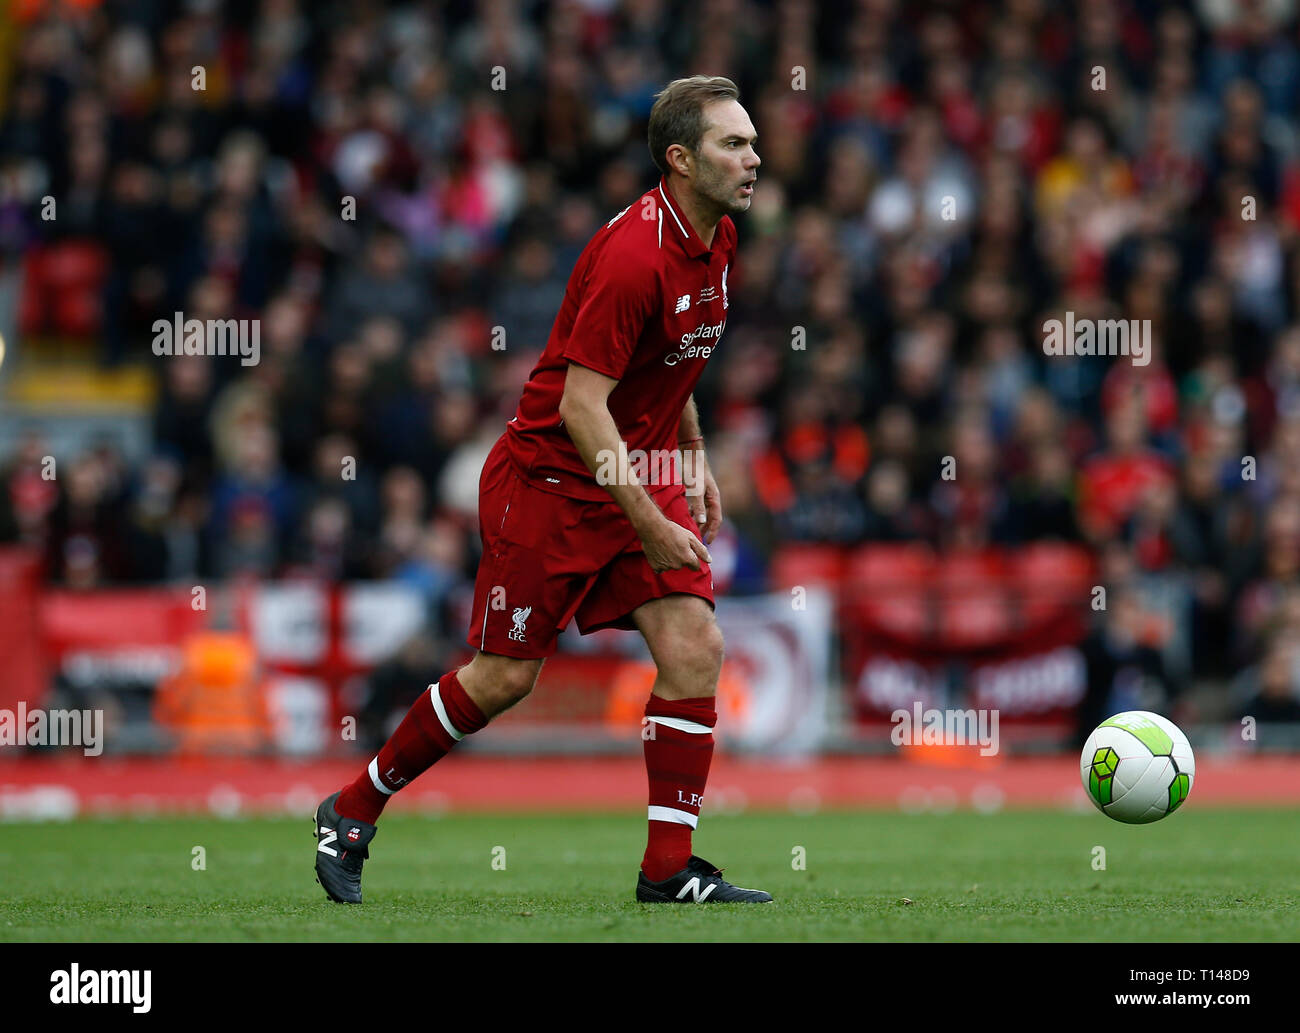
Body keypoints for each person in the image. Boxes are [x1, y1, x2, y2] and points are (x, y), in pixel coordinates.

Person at [314, 76, 770, 904]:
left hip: (637, 470)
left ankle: (667, 870)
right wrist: (653, 520)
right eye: (732, 143)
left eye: (750, 140)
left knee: (695, 647)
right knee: (504, 678)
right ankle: (352, 806)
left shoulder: (720, 237)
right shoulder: (635, 257)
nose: (754, 156)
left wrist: (692, 452)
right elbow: (581, 405)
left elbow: (675, 356)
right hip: (554, 482)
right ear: (679, 159)